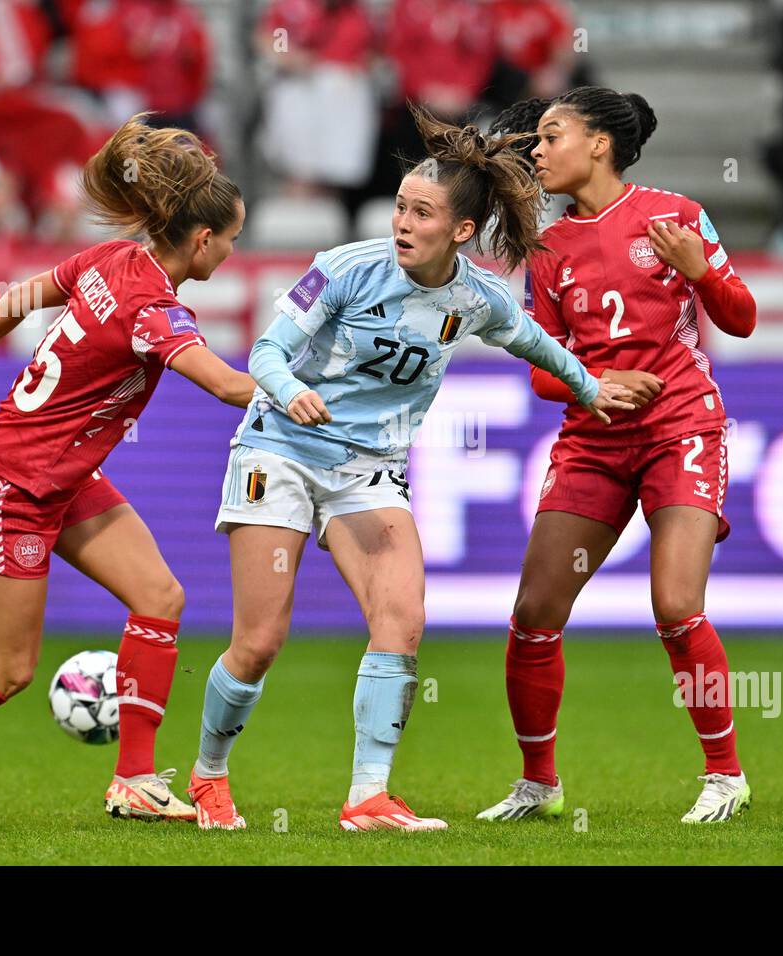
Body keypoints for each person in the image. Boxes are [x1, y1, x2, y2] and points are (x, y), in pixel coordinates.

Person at [185, 105, 633, 833]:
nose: (401, 223)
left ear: (460, 232)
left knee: (403, 620)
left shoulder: (475, 298)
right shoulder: (344, 269)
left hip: (368, 470)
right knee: (260, 640)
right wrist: (291, 388)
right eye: (399, 206)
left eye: (421, 214)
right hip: (282, 450)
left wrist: (589, 387)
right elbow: (265, 353)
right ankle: (208, 777)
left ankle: (368, 797)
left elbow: (539, 346)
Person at [0, 117, 256, 825]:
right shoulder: (150, 307)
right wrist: (309, 391)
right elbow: (223, 384)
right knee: (9, 670)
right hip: (8, 485)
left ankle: (136, 780)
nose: (234, 249)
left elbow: (17, 297)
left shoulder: (111, 260)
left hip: (61, 478)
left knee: (159, 595)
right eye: (234, 237)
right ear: (203, 240)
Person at [480, 87, 758, 824]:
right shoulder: (545, 248)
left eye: (551, 134)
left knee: (674, 605)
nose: (537, 151)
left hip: (680, 427)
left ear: (599, 143)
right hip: (593, 439)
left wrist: (702, 270)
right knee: (534, 611)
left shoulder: (675, 215)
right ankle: (539, 783)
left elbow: (743, 318)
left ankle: (725, 775)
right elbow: (541, 368)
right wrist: (591, 382)